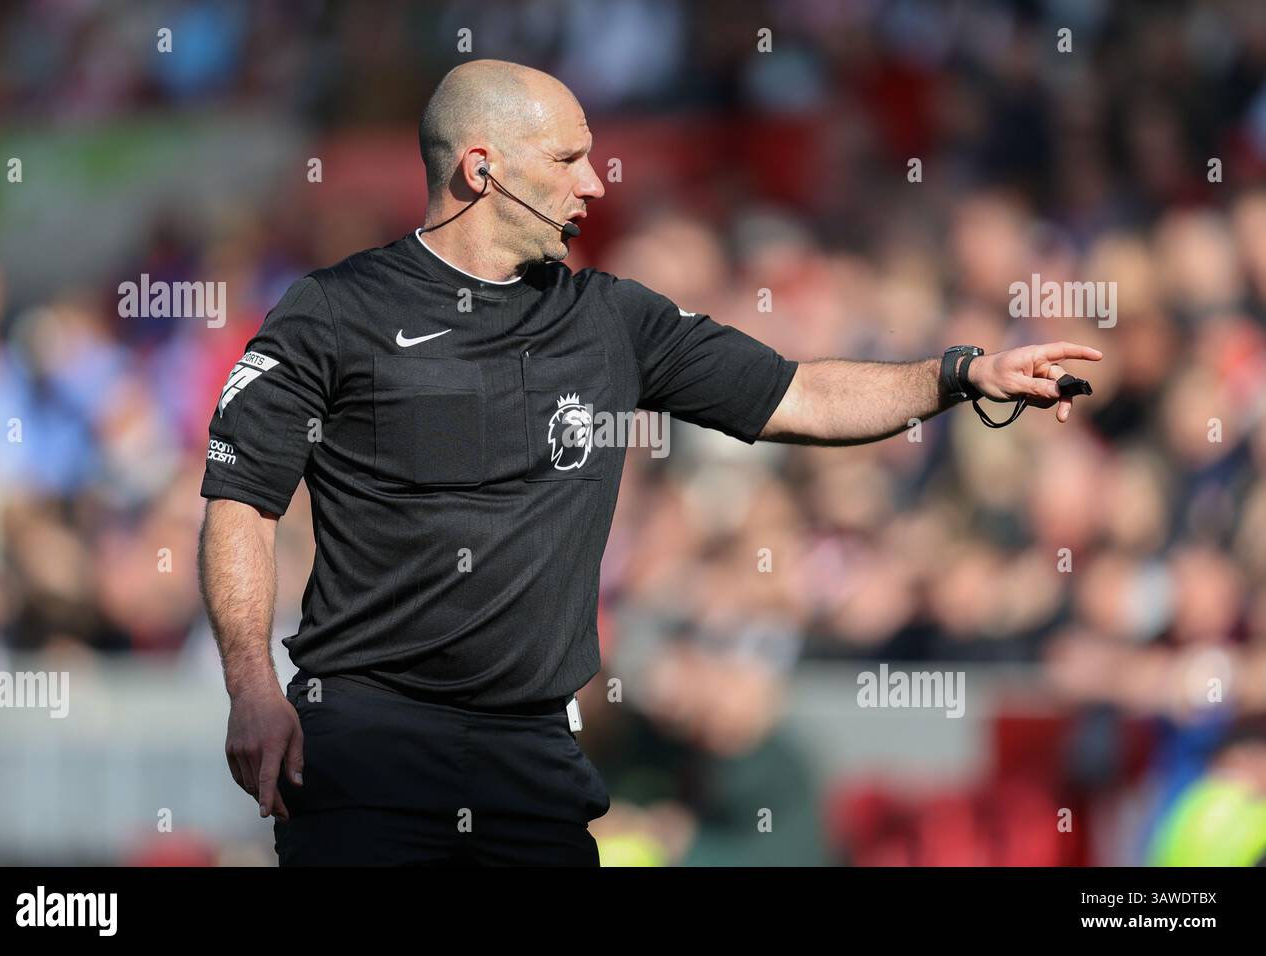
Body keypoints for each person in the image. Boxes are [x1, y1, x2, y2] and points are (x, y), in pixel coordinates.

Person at [197, 59, 1101, 866]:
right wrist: (251, 688)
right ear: (482, 169)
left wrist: (960, 374)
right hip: (369, 750)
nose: (595, 181)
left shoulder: (612, 319)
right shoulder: (331, 312)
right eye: (567, 160)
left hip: (535, 761)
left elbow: (800, 396)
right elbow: (240, 501)